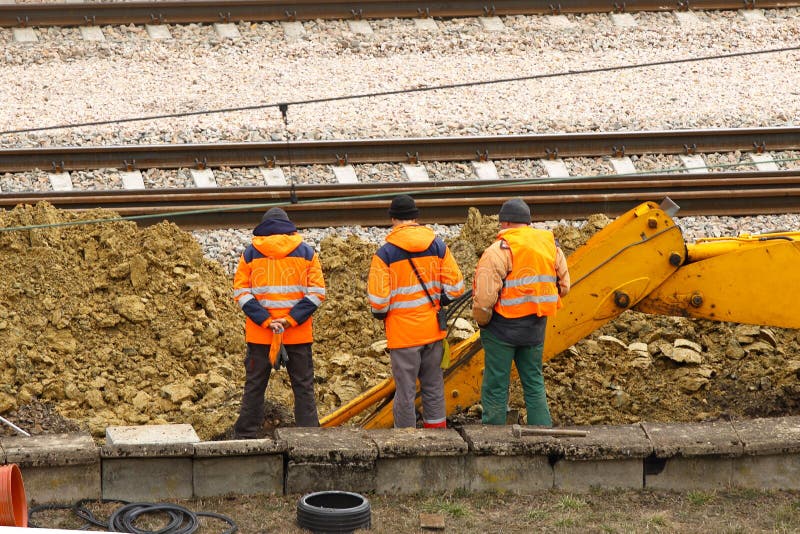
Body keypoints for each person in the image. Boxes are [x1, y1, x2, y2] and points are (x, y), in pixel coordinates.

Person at [368, 195, 465, 429]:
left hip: (403, 337)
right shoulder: (438, 245)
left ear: (393, 219)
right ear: (416, 217)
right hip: (433, 331)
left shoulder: (385, 255)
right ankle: (437, 438)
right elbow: (456, 289)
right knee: (433, 387)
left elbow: (379, 304)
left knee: (405, 392)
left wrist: (386, 314)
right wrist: (436, 301)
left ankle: (407, 441)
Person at [472, 198, 570, 426]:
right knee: (534, 382)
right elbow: (564, 287)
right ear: (527, 222)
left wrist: (483, 322)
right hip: (535, 328)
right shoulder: (551, 247)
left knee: (496, 384)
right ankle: (542, 434)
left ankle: (493, 438)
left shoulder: (499, 250)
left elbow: (484, 300)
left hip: (501, 330)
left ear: (505, 223)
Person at [232, 207, 326, 437]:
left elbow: (241, 293)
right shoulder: (306, 252)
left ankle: (246, 435)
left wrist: (267, 321)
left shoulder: (251, 253)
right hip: (297, 334)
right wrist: (289, 320)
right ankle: (309, 436)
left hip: (260, 335)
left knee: (254, 386)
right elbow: (317, 293)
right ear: (288, 228)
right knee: (303, 387)